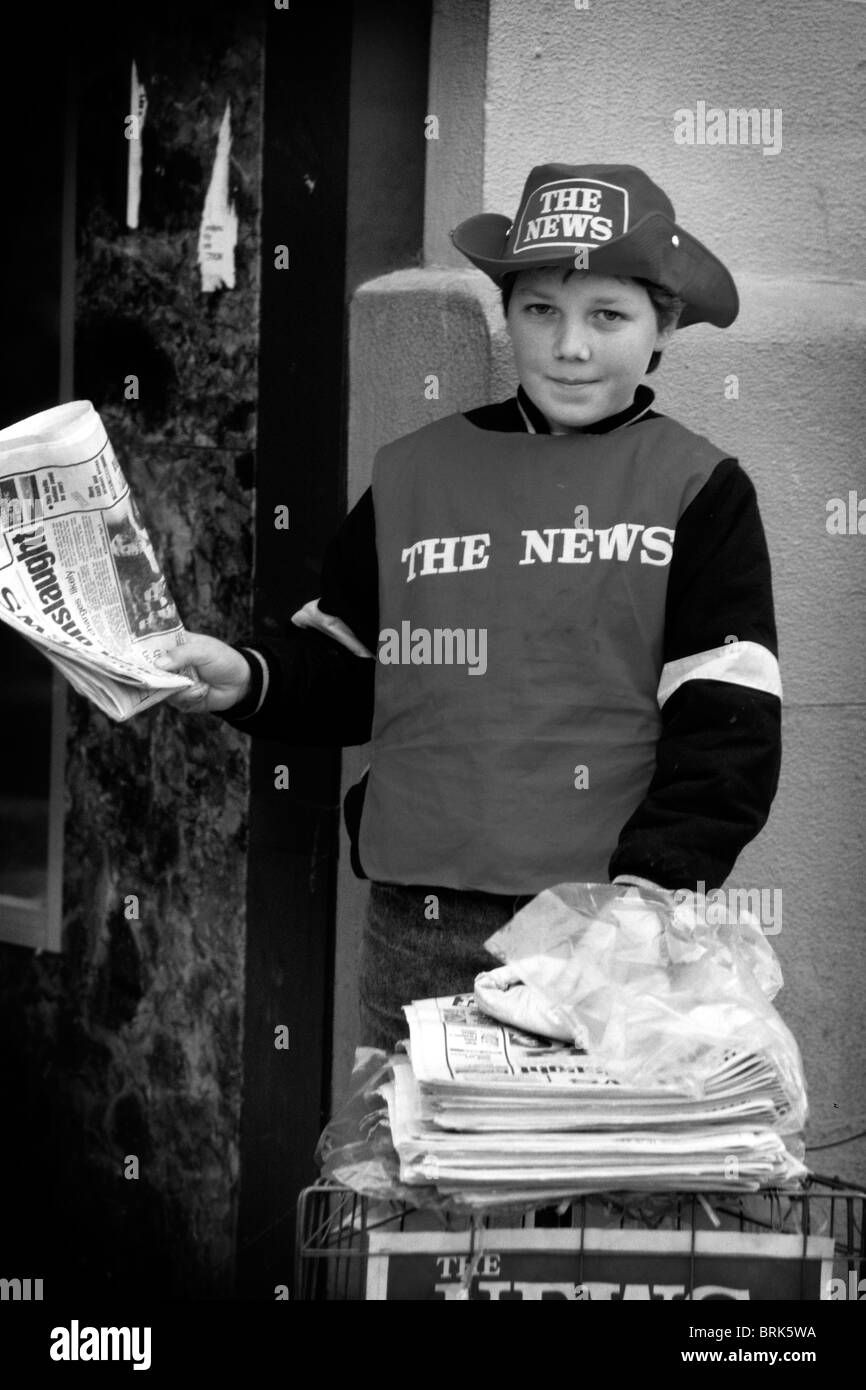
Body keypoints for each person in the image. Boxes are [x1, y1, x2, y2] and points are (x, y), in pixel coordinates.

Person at [155, 164, 782, 1051]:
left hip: (606, 926)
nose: (570, 346)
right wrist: (245, 679)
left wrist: (648, 903)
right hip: (418, 921)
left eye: (608, 314)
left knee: (587, 1188)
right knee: (413, 1176)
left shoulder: (700, 488)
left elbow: (730, 724)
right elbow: (348, 671)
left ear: (663, 327)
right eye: (540, 311)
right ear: (506, 312)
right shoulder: (416, 471)